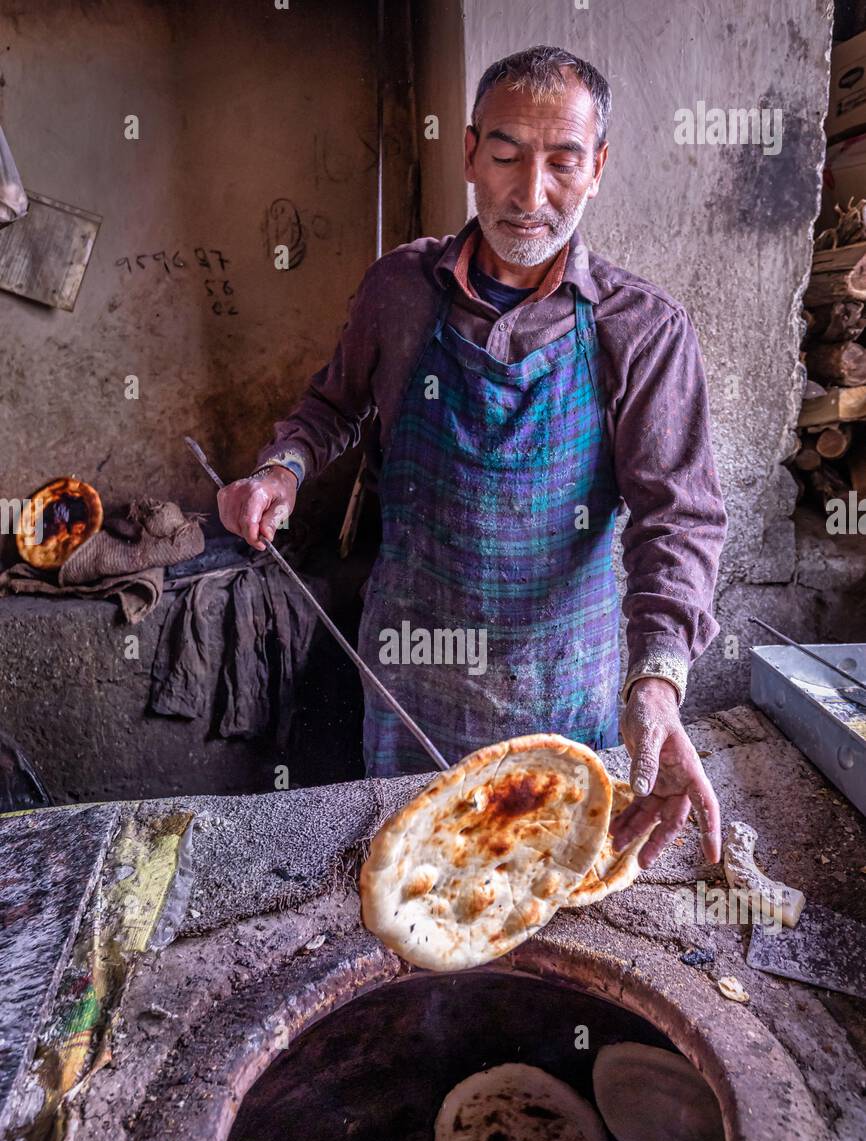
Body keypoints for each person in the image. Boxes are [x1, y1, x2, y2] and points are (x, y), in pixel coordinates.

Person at [218, 45, 727, 868]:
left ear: (597, 167)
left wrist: (659, 681)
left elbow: (681, 518)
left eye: (563, 162)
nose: (531, 196)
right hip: (410, 674)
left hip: (562, 689)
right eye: (505, 156)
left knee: (539, 901)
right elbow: (331, 407)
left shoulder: (643, 331)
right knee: (416, 892)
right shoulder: (400, 290)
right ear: (468, 155)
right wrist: (283, 468)